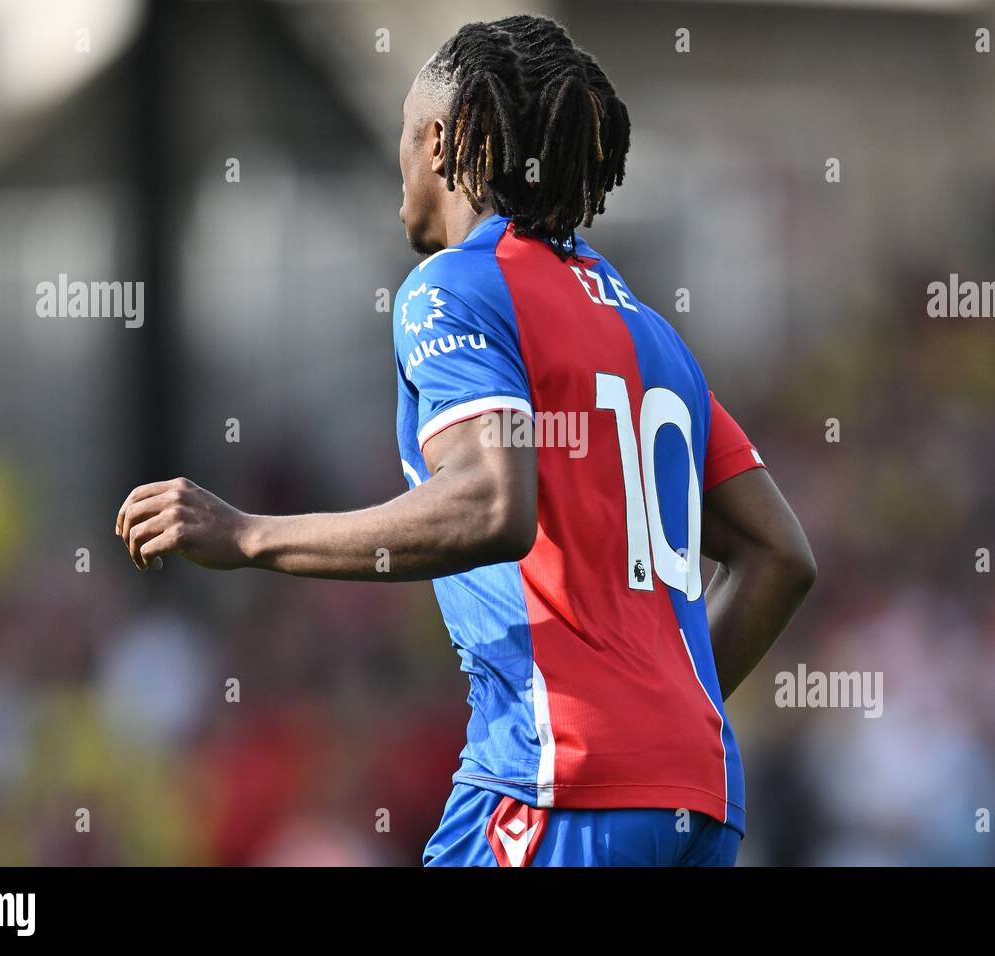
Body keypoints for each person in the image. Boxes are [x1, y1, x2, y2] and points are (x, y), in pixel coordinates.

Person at [115, 15, 815, 866]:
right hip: (697, 796)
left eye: (407, 135)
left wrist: (251, 534)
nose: (398, 167)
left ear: (441, 141)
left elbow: (490, 501)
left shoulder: (453, 286)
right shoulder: (651, 333)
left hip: (553, 783)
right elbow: (780, 555)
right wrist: (667, 720)